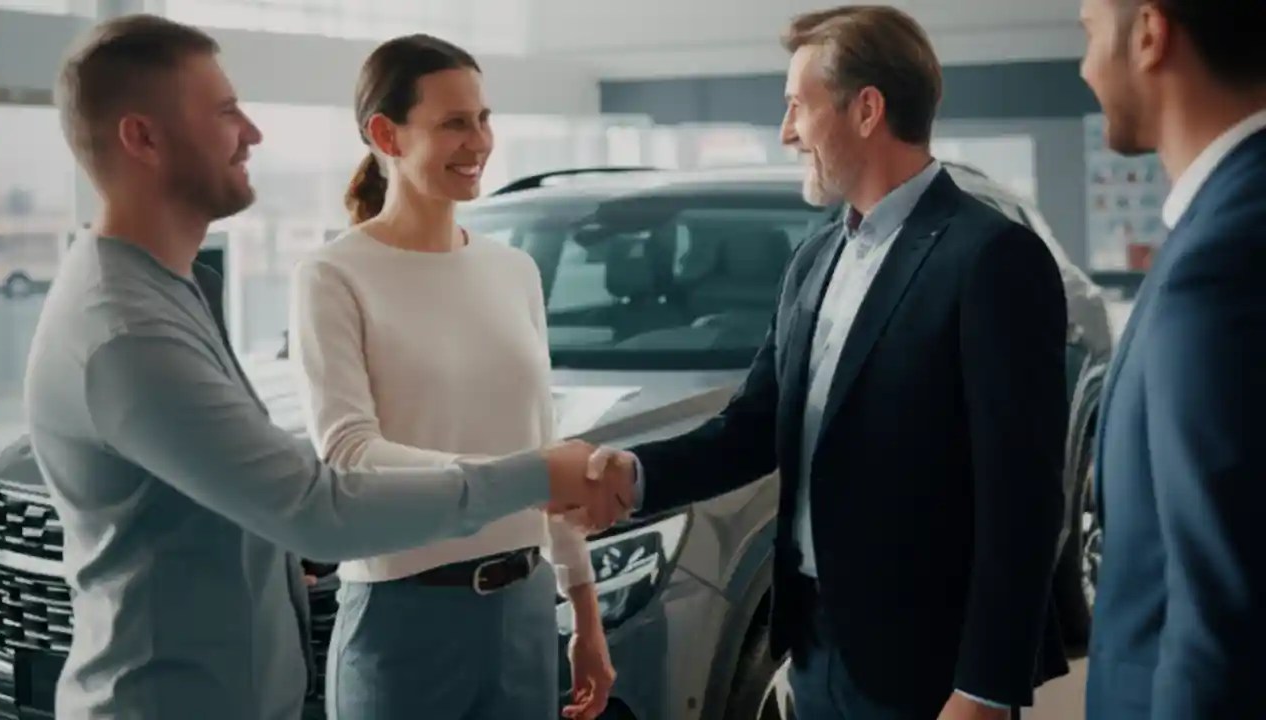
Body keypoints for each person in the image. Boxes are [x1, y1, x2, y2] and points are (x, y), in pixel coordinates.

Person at [25, 14, 627, 720]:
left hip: (507, 615)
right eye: (225, 111)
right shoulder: (130, 330)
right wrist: (535, 473)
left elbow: (266, 491)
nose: (252, 131)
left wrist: (577, 597)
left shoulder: (171, 294)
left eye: (484, 118)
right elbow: (321, 501)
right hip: (302, 651)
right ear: (143, 137)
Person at [589, 6, 1069, 719]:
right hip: (813, 650)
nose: (785, 131)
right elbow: (753, 427)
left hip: (928, 669)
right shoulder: (816, 258)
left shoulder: (990, 258)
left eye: (796, 107)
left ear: (867, 109)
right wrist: (634, 475)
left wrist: (985, 689)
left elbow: (1022, 502)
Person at [289, 35, 613, 720]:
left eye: (485, 118)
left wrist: (584, 612)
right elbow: (349, 453)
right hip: (404, 617)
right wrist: (523, 476)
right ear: (386, 133)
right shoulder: (333, 275)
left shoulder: (514, 271)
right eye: (454, 123)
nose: (480, 141)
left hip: (527, 612)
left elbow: (543, 437)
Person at [1077, 0, 1266, 717]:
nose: (1086, 67)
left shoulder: (1221, 263)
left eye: (1091, 34)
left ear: (1151, 35)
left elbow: (1222, 611)